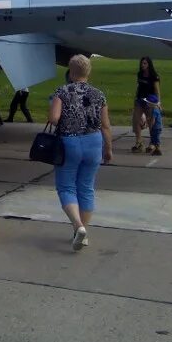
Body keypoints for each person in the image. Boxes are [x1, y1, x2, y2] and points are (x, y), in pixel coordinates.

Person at [48, 55, 112, 251]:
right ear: (88, 71)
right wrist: (108, 148)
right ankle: (82, 233)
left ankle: (78, 226)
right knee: (86, 187)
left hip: (70, 143)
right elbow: (106, 125)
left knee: (66, 187)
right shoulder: (98, 94)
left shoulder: (62, 91)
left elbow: (54, 118)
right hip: (94, 142)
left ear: (70, 70)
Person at [131, 57, 160, 153]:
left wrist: (158, 102)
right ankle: (139, 142)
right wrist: (135, 97)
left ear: (149, 64)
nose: (143, 65)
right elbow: (138, 86)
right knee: (136, 120)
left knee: (151, 121)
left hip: (150, 100)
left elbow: (157, 90)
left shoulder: (154, 76)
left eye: (145, 63)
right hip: (140, 99)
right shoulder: (140, 74)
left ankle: (153, 143)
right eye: (142, 63)